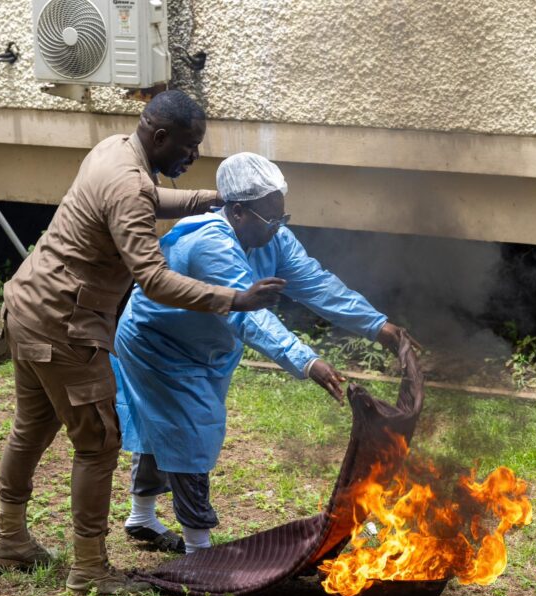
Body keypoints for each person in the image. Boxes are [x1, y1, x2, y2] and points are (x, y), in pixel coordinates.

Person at [0, 92, 286, 595]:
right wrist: (236, 298)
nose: (193, 156)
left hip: (27, 308)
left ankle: (9, 538)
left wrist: (210, 199)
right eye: (189, 147)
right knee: (99, 443)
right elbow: (154, 280)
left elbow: (148, 197)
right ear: (161, 137)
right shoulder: (130, 186)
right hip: (65, 324)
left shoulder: (114, 150)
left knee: (30, 429)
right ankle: (89, 568)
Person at [112, 152, 415, 554]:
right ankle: (198, 550)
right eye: (271, 219)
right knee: (189, 434)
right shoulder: (208, 243)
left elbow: (317, 284)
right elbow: (249, 317)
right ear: (237, 211)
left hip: (203, 347)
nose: (278, 227)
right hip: (158, 345)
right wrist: (307, 360)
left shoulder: (272, 238)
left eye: (282, 217)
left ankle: (141, 518)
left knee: (163, 428)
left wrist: (378, 325)